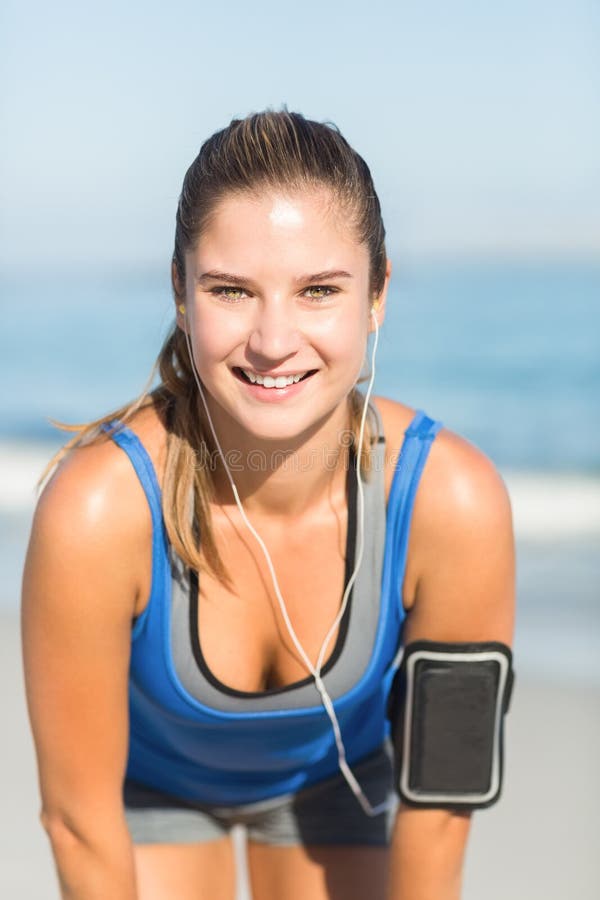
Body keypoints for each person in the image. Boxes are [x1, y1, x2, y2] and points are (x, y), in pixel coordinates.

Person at [22, 109, 515, 900]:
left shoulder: (450, 504)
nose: (274, 339)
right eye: (231, 290)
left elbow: (441, 806)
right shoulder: (98, 512)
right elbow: (76, 820)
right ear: (181, 292)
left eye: (319, 290)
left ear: (378, 293)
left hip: (336, 788)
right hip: (155, 796)